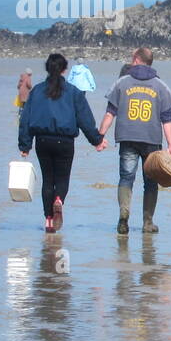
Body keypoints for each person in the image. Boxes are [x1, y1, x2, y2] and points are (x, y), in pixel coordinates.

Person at [18, 53, 104, 233]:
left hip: (42, 141)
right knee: (62, 179)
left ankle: (48, 220)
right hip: (65, 142)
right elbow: (85, 119)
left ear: (47, 69)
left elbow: (25, 119)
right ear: (65, 70)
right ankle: (59, 200)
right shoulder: (73, 92)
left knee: (47, 180)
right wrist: (96, 140)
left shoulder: (37, 91)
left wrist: (25, 145)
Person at [96, 47, 171, 234]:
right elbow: (167, 119)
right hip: (151, 140)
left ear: (136, 59)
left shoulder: (122, 83)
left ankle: (124, 216)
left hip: (127, 137)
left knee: (126, 178)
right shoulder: (161, 86)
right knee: (150, 182)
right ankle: (148, 223)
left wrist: (100, 136)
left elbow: (110, 113)